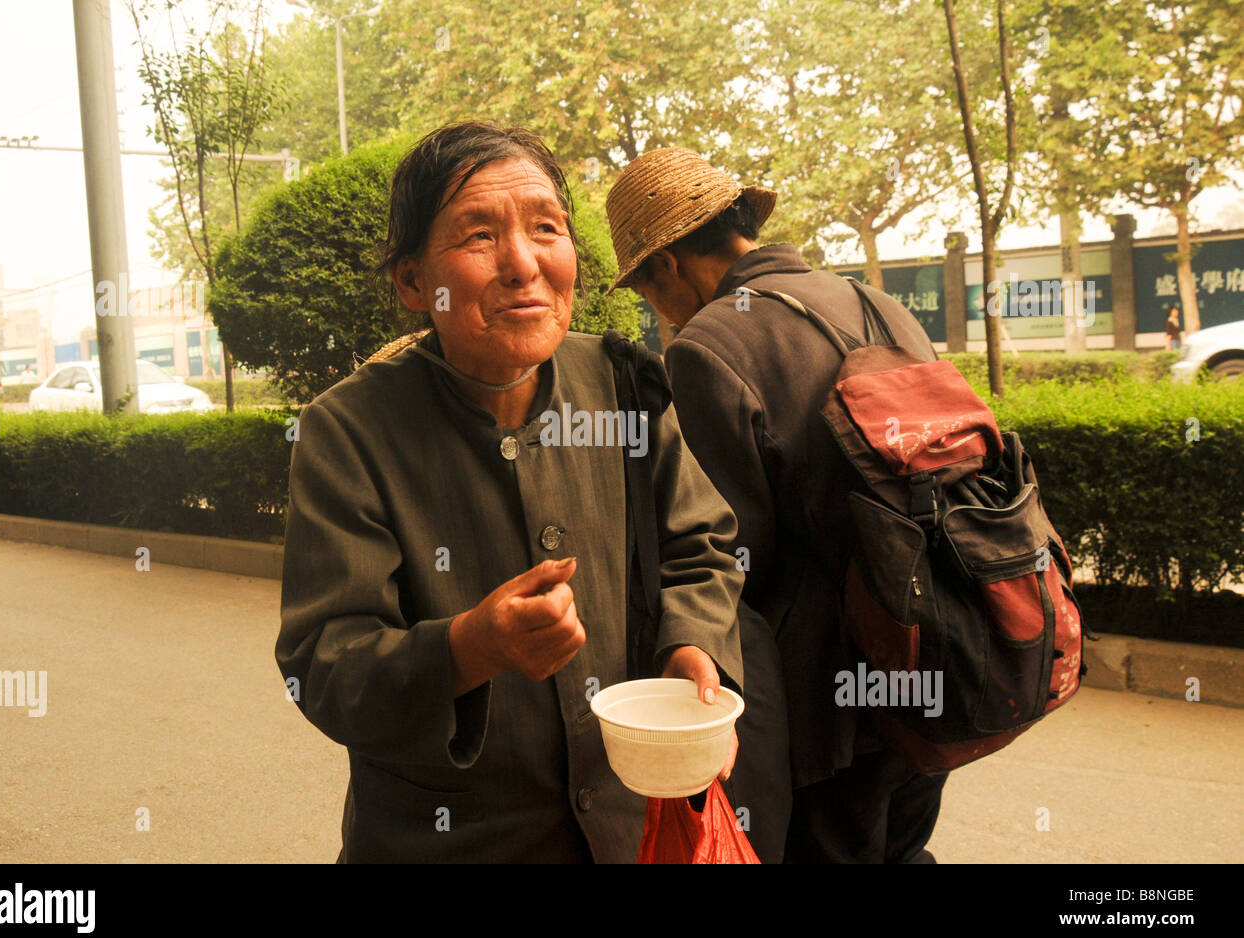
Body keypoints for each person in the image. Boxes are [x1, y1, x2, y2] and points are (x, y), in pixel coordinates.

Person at [275, 122, 744, 863]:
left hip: (627, 833)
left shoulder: (623, 385)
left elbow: (703, 541)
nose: (523, 264)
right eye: (479, 237)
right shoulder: (348, 431)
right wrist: (471, 647)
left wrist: (693, 647)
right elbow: (323, 664)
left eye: (545, 228)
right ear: (410, 281)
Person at [605, 147, 948, 863]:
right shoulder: (873, 303)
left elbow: (724, 552)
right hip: (936, 651)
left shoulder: (708, 345)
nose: (655, 310)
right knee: (905, 849)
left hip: (830, 701)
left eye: (645, 288)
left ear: (666, 264)